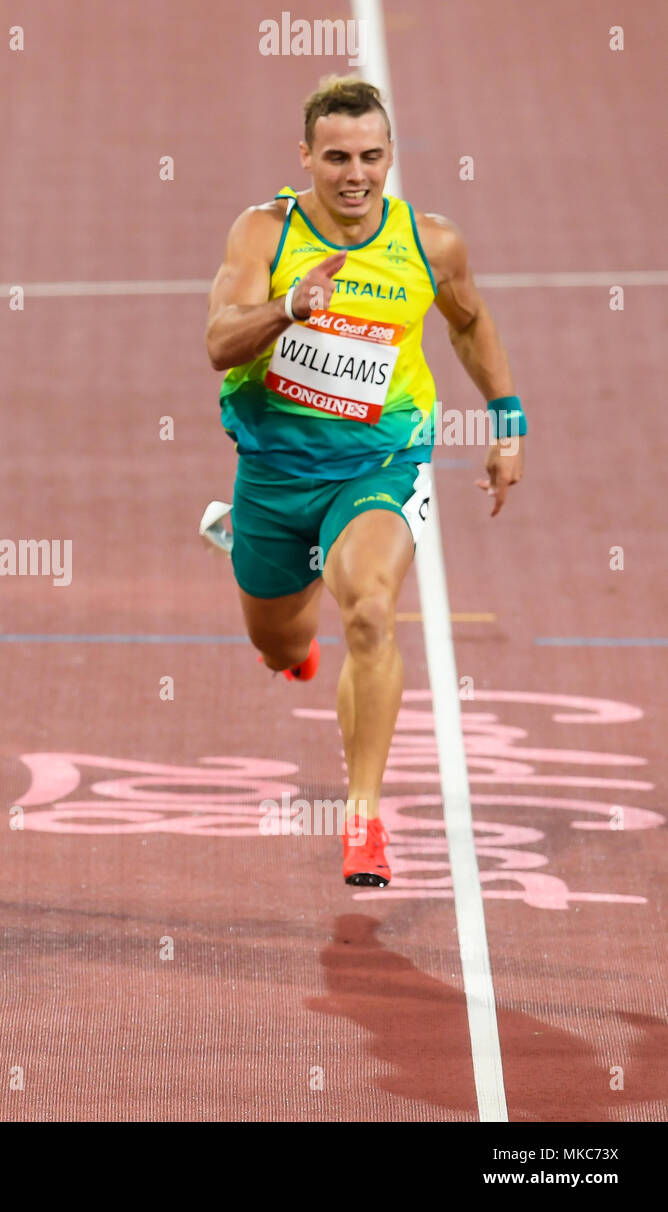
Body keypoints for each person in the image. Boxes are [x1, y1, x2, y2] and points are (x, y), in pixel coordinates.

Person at [203, 77, 525, 887]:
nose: (356, 174)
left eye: (373, 157)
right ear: (304, 157)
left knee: (373, 609)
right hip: (274, 474)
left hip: (379, 466)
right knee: (278, 644)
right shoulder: (262, 233)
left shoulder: (430, 242)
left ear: (391, 156)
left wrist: (506, 420)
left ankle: (364, 818)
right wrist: (288, 309)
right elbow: (218, 344)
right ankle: (283, 620)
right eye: (338, 157)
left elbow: (470, 319)